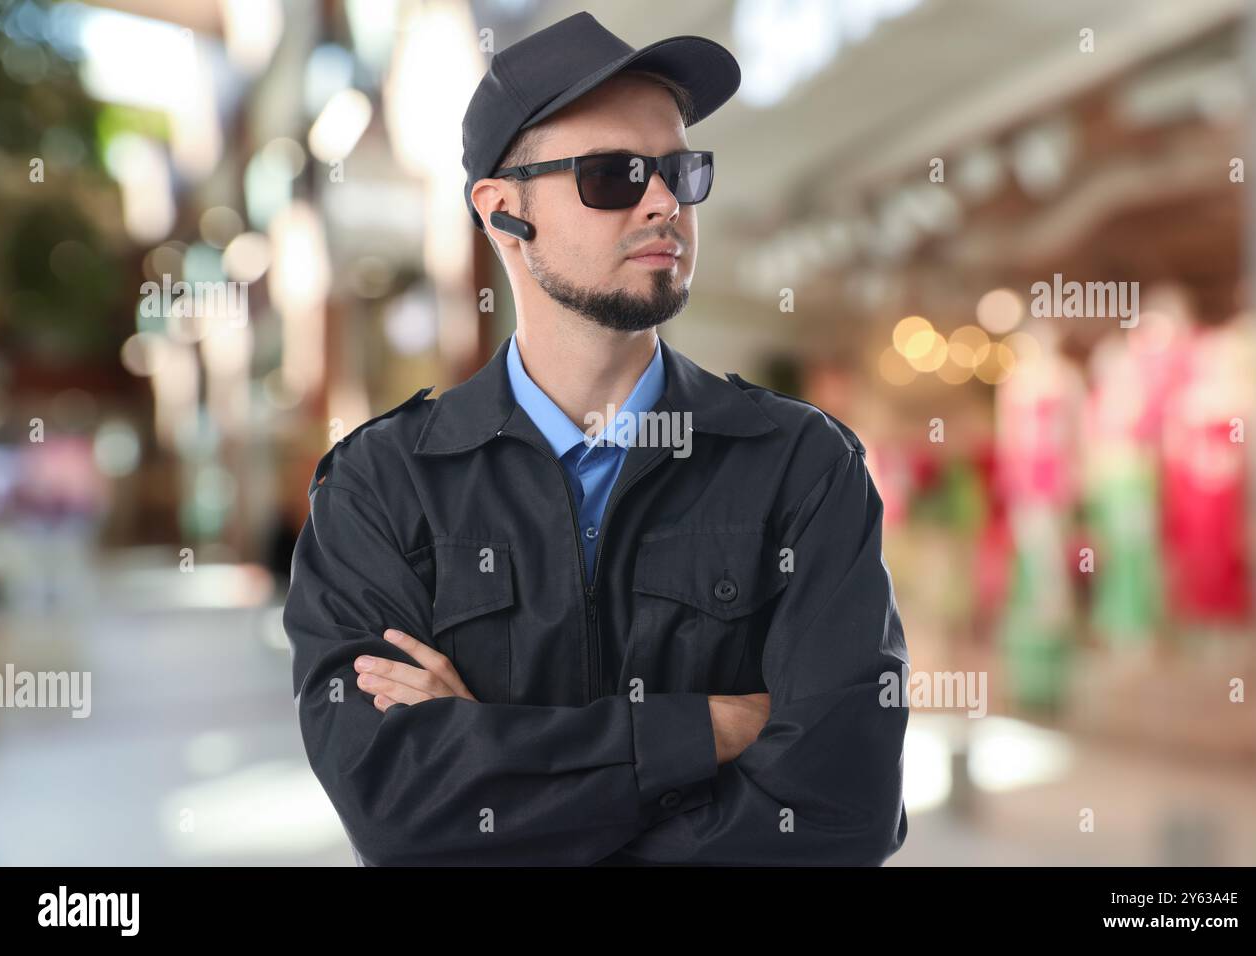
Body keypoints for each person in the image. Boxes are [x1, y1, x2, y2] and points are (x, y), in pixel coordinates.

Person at [284, 11, 909, 866]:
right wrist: (709, 729)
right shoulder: (381, 487)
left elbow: (843, 815)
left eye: (681, 171)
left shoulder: (803, 467)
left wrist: (492, 749)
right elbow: (401, 813)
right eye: (613, 175)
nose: (664, 203)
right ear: (504, 213)